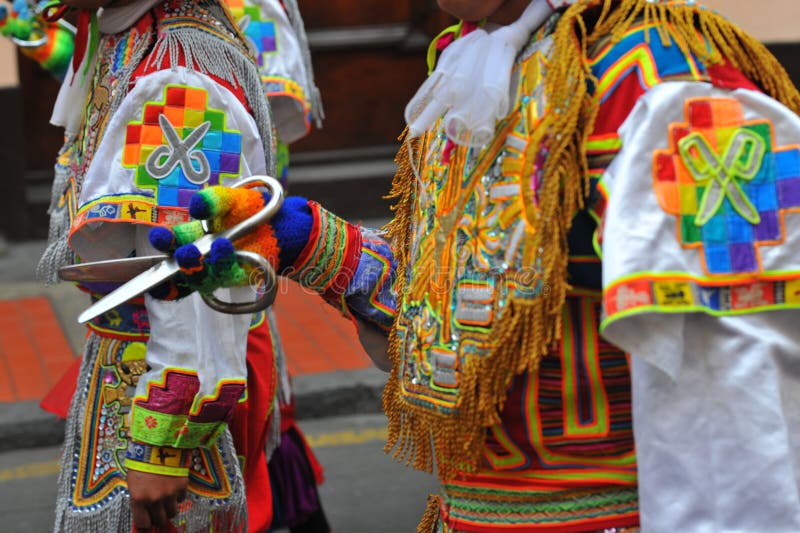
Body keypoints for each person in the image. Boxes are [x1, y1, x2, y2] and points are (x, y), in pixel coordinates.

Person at [137, 0, 800, 531]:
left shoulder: (669, 81)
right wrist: (303, 240)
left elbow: (744, 395)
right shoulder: (474, 60)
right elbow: (459, 309)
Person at [35, 0, 281, 530]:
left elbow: (192, 264)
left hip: (164, 374)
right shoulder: (132, 39)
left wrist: (163, 441)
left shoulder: (176, 68)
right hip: (137, 357)